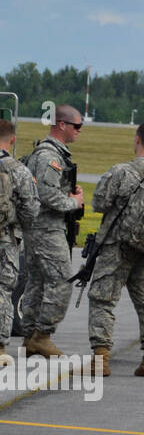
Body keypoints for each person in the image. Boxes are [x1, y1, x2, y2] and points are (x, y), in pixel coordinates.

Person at [86, 123, 144, 378]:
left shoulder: (121, 172)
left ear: (137, 140)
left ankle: (101, 360)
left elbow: (100, 203)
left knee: (103, 300)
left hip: (117, 245)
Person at [19, 105, 84, 358]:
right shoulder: (49, 157)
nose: (79, 131)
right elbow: (47, 196)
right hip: (46, 228)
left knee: (37, 282)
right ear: (62, 125)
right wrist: (74, 203)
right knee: (62, 281)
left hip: (37, 228)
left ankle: (30, 337)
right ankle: (42, 336)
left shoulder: (51, 154)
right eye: (77, 126)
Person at [0, 119, 40, 367]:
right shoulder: (18, 170)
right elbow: (31, 212)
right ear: (12, 139)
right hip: (6, 240)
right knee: (3, 292)